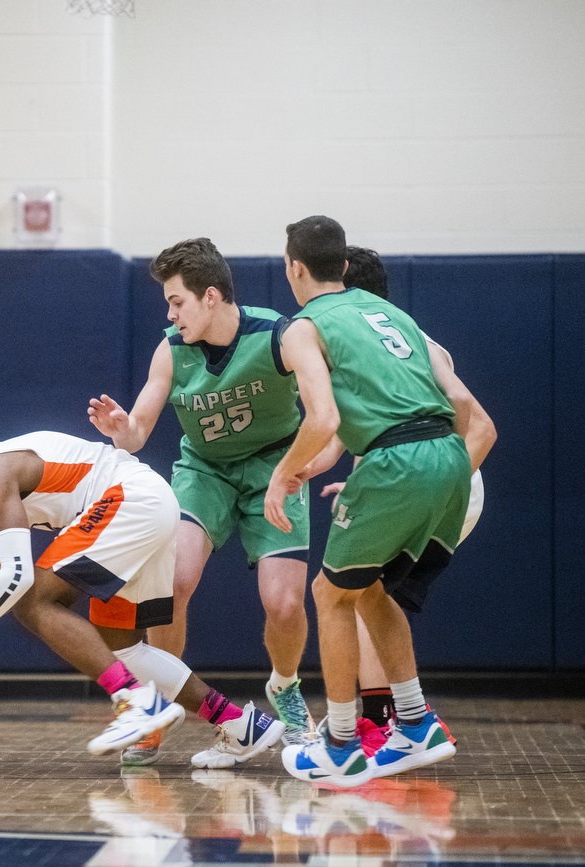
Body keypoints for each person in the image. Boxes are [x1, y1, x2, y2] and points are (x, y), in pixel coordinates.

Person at [0, 415, 288, 762]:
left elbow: (20, 584)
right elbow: (4, 590)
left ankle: (135, 701)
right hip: (149, 505)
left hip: (130, 499)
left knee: (36, 603)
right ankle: (240, 724)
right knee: (122, 650)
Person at [87, 237, 316, 755]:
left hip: (274, 469)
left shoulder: (277, 335)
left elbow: (325, 410)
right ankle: (161, 703)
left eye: (177, 301)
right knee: (173, 585)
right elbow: (138, 430)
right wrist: (120, 428)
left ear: (210, 296)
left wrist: (303, 463)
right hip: (204, 471)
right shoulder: (170, 348)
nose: (170, 313)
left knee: (283, 604)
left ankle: (287, 688)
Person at [266, 216, 473, 786]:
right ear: (345, 266)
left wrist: (281, 474)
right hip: (451, 458)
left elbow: (324, 417)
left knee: (328, 595)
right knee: (368, 590)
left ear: (295, 267)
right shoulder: (390, 313)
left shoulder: (301, 327)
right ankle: (416, 724)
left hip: (395, 462)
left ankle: (340, 744)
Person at [323, 246, 496, 753]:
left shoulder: (391, 338)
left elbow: (478, 425)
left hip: (446, 473)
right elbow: (379, 428)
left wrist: (434, 482)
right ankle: (402, 720)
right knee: (364, 593)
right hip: (422, 472)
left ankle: (377, 726)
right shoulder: (385, 337)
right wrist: (364, 482)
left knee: (355, 593)